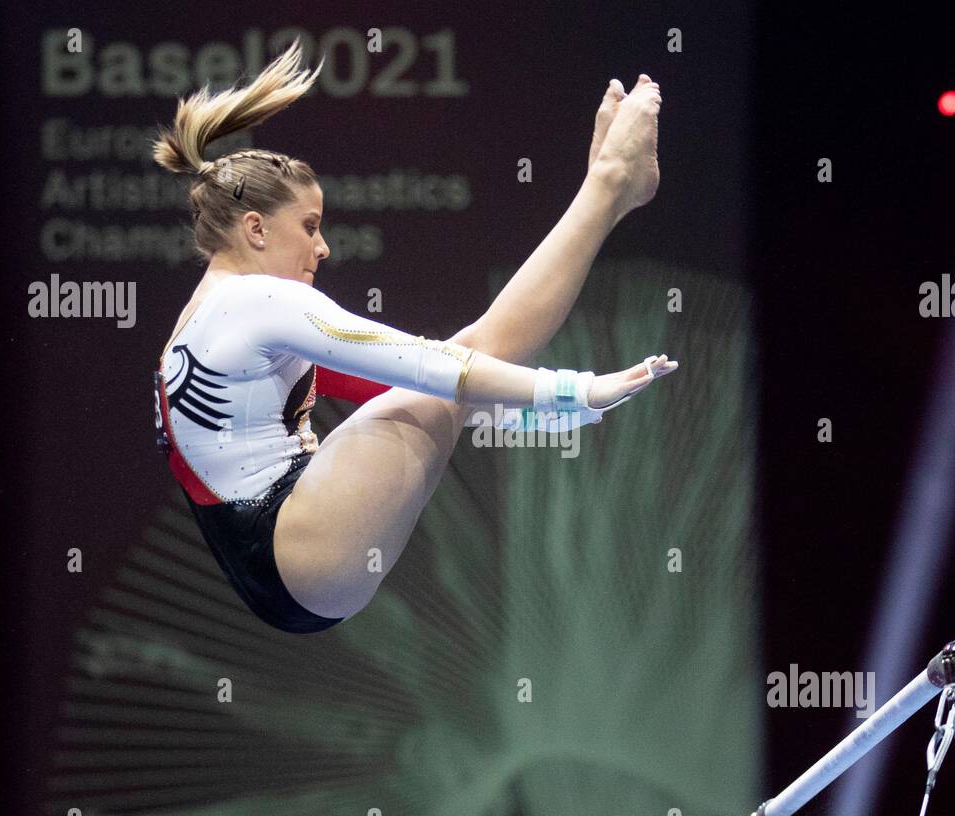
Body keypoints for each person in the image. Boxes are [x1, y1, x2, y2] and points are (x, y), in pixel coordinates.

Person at [151, 39, 675, 633]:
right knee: (461, 356)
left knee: (464, 358)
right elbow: (426, 366)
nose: (323, 247)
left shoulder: (197, 327)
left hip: (287, 578)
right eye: (310, 226)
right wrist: (574, 393)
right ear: (256, 229)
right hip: (297, 546)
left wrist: (535, 412)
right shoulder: (254, 301)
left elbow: (415, 383)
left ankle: (607, 190)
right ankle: (607, 187)